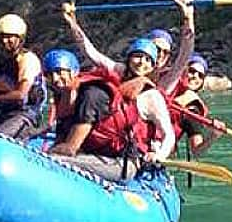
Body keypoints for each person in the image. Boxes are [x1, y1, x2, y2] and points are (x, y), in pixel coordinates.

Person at [42, 48, 176, 182]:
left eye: (60, 72)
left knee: (52, 162)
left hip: (121, 163)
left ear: (74, 71)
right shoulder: (64, 97)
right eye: (49, 74)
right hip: (94, 154)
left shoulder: (92, 95)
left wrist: (159, 154)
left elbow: (70, 148)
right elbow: (61, 140)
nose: (54, 79)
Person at [62, 0, 196, 99]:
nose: (160, 54)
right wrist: (72, 23)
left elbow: (184, 55)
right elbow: (92, 53)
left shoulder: (166, 80)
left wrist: (187, 18)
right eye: (156, 49)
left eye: (165, 52)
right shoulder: (122, 70)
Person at [0, 13, 46, 138]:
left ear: (20, 39)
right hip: (6, 115)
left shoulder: (27, 59)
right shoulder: (5, 60)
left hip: (26, 115)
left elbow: (20, 95)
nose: (4, 41)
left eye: (9, 37)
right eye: (1, 37)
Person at [172, 53, 223, 158]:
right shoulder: (164, 85)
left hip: (155, 156)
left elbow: (197, 151)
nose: (195, 76)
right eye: (192, 71)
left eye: (200, 75)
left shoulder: (192, 109)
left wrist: (214, 135)